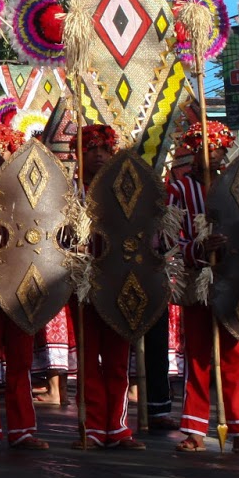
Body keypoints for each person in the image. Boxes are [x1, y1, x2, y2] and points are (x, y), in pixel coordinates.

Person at [167, 122, 239, 454]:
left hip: (237, 278)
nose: (207, 154)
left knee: (234, 355)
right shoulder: (178, 189)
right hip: (199, 280)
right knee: (199, 355)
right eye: (200, 147)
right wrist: (199, 247)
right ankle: (195, 429)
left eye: (213, 147)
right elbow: (169, 239)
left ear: (223, 150)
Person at [68, 123, 145, 451]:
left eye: (104, 149)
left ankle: (118, 429)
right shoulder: (68, 193)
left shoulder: (128, 190)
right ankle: (92, 428)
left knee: (117, 359)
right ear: (79, 154)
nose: (98, 156)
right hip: (82, 284)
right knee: (87, 358)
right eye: (91, 149)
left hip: (120, 283)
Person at [0, 124, 48, 451]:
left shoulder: (29, 190)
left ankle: (23, 430)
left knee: (21, 363)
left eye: (4, 149)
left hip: (21, 286)